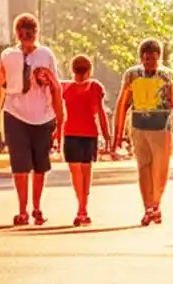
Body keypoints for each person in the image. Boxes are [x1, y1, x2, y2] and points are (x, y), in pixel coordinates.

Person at [0, 13, 64, 226]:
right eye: (22, 32)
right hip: (15, 114)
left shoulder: (46, 55)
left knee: (40, 165)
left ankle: (37, 207)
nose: (26, 36)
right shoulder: (8, 55)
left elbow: (56, 87)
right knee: (20, 165)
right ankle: (22, 211)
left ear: (36, 33)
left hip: (42, 116)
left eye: (30, 32)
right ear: (16, 34)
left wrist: (60, 119)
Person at [112, 38, 173, 226]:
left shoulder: (168, 76)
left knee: (160, 168)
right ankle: (148, 208)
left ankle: (156, 203)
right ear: (141, 58)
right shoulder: (132, 75)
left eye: (153, 59)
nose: (149, 63)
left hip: (161, 126)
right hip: (138, 126)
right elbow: (122, 104)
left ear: (159, 57)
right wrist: (117, 135)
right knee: (144, 167)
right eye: (146, 59)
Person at [61, 54, 111, 227]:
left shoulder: (95, 87)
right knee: (76, 172)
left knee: (85, 171)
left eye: (83, 69)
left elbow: (101, 111)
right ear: (72, 70)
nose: (80, 73)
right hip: (71, 133)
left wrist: (107, 135)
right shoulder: (65, 87)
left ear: (90, 70)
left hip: (89, 134)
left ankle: (83, 208)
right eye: (78, 69)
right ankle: (81, 208)